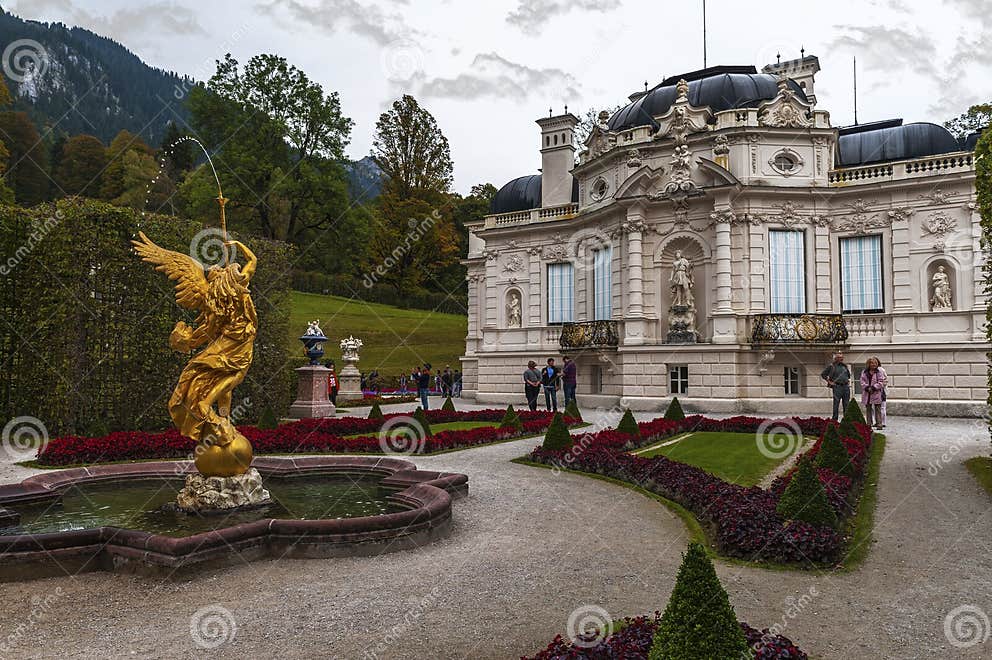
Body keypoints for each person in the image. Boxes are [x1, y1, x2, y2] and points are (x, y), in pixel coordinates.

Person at [820, 352, 851, 421]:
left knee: (846, 404)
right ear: (835, 359)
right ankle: (835, 419)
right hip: (837, 387)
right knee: (836, 403)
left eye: (842, 357)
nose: (841, 359)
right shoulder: (832, 366)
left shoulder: (845, 366)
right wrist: (829, 382)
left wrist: (847, 381)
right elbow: (823, 374)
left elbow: (848, 375)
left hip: (846, 387)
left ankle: (846, 419)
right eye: (839, 358)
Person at [860, 357, 888, 429]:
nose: (874, 364)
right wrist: (867, 387)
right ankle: (869, 424)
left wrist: (874, 387)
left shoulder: (879, 372)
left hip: (876, 393)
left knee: (878, 409)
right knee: (868, 409)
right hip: (867, 393)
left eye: (875, 363)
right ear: (869, 364)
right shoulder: (864, 372)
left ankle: (879, 424)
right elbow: (862, 381)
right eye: (872, 363)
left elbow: (881, 382)